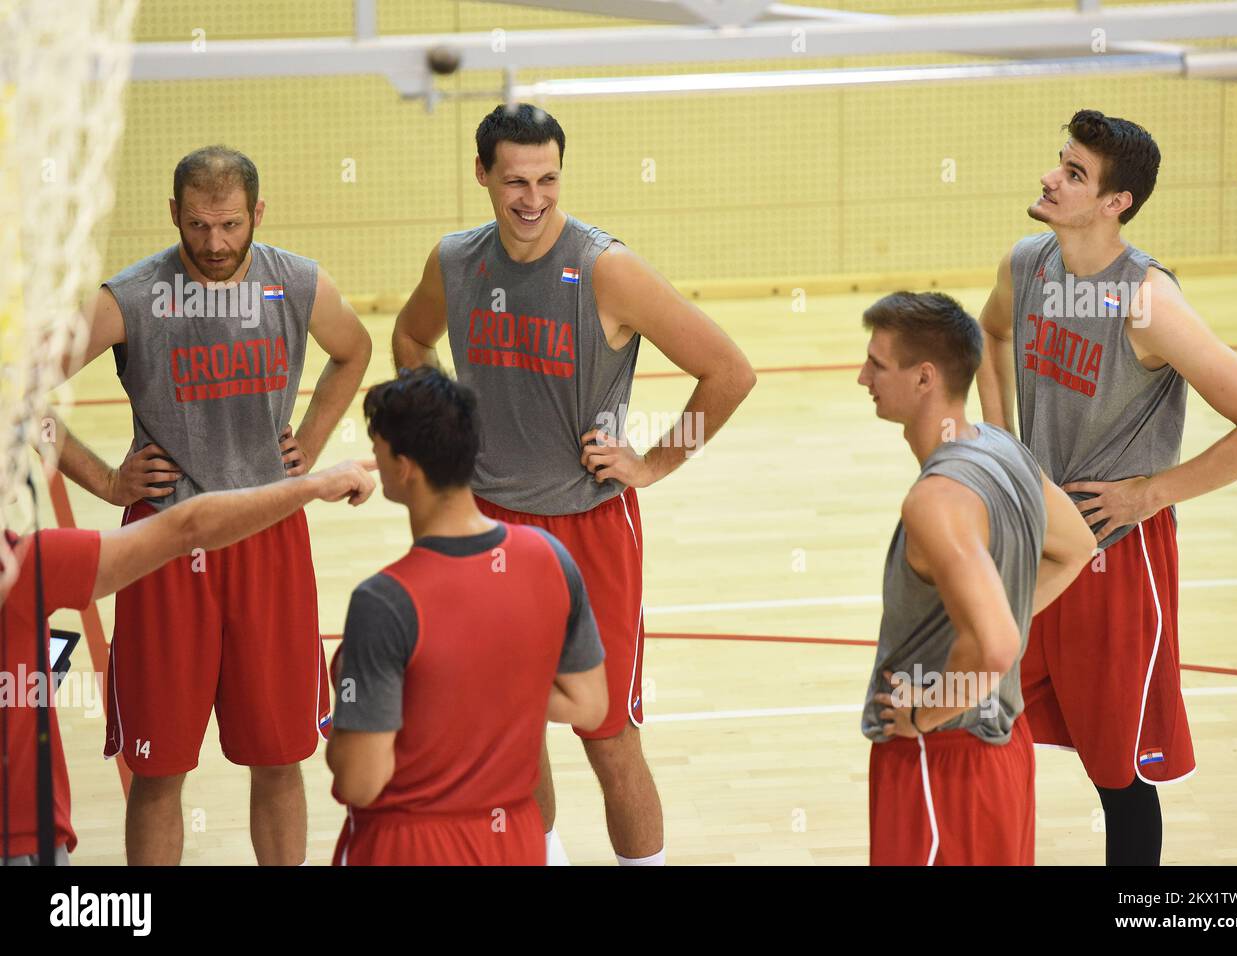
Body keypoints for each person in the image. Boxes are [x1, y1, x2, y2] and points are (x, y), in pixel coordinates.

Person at [391, 104, 755, 866]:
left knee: (609, 737)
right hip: (484, 526)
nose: (533, 198)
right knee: (509, 733)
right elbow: (409, 337)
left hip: (587, 531)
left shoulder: (604, 269)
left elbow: (728, 371)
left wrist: (653, 463)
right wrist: (443, 435)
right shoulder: (456, 261)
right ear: (482, 174)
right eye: (515, 180)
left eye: (548, 179)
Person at [975, 109, 1237, 865]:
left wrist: (1149, 493)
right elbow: (987, 333)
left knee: (1117, 774)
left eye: (1075, 174)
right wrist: (1000, 447)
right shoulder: (1027, 264)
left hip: (1117, 556)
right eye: (1060, 162)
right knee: (977, 720)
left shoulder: (1149, 303)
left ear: (1116, 203)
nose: (1051, 178)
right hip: (1034, 540)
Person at [54, 144, 373, 865]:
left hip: (269, 540)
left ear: (257, 213)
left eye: (230, 225)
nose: (215, 243)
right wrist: (107, 481)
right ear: (174, 215)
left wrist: (313, 443)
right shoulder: (130, 296)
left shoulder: (296, 282)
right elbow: (21, 388)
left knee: (280, 754)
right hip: (162, 548)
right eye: (198, 225)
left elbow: (353, 350)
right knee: (159, 768)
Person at [0, 459, 376, 865]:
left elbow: (189, 528)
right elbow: (188, 528)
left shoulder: (30, 566)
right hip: (24, 839)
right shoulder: (24, 569)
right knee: (160, 771)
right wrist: (312, 485)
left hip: (24, 834)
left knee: (275, 759)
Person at [326, 368, 607, 865]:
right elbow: (588, 706)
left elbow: (359, 781)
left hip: (409, 846)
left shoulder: (383, 602)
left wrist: (357, 701)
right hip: (514, 841)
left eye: (379, 450)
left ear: (405, 467)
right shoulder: (549, 559)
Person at [858, 292, 1094, 866]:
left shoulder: (936, 502)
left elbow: (994, 644)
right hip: (1004, 748)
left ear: (924, 378)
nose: (861, 376)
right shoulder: (1002, 448)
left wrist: (923, 713)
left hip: (942, 759)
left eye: (877, 364)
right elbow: (1077, 548)